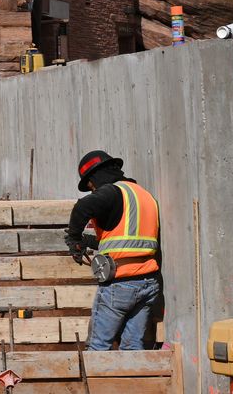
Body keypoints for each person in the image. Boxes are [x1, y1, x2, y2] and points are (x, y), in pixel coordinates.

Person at [65, 150, 163, 352]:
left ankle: (96, 384)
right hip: (149, 283)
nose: (92, 190)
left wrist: (74, 238)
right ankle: (131, 383)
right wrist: (87, 241)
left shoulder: (111, 192)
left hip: (120, 283)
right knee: (133, 346)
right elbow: (128, 240)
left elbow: (83, 207)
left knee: (98, 346)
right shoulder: (143, 195)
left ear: (96, 176)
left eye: (91, 185)